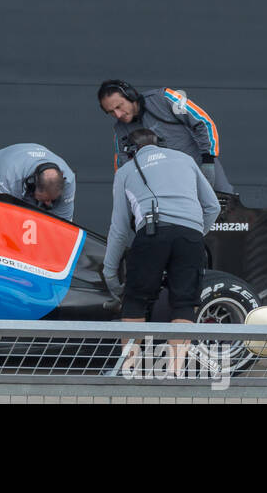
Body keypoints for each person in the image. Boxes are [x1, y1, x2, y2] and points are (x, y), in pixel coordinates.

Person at [103, 129, 220, 370]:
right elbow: (213, 207)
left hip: (152, 234)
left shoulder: (125, 171)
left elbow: (120, 228)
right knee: (184, 304)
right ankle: (174, 373)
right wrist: (194, 232)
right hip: (190, 236)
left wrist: (110, 272)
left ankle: (130, 370)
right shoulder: (186, 160)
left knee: (135, 301)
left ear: (130, 152)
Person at [97, 80, 234, 194]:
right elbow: (122, 164)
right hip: (168, 186)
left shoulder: (164, 98)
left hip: (201, 166)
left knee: (229, 212)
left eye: (119, 106)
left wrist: (208, 160)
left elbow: (202, 122)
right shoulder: (120, 129)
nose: (118, 114)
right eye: (111, 112)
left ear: (131, 96)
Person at [0, 143, 77, 221]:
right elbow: (1, 218)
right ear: (32, 184)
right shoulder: (9, 176)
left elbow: (64, 221)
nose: (49, 204)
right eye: (46, 199)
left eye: (53, 199)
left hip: (22, 168)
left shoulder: (69, 179)